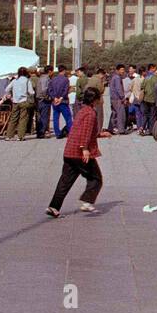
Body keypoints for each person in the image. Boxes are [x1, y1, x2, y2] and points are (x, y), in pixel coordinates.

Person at [45, 86, 108, 218]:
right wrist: (84, 149)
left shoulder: (82, 110)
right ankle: (87, 202)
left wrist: (100, 134)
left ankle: (53, 206)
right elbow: (85, 131)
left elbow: (85, 130)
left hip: (70, 151)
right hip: (79, 153)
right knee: (96, 178)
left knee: (65, 180)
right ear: (95, 99)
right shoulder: (90, 113)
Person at [3, 67, 34, 140]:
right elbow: (31, 92)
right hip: (24, 101)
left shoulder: (14, 81)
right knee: (23, 119)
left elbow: (6, 89)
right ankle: (20, 136)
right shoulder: (27, 81)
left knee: (13, 118)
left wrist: (10, 96)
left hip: (15, 102)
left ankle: (9, 136)